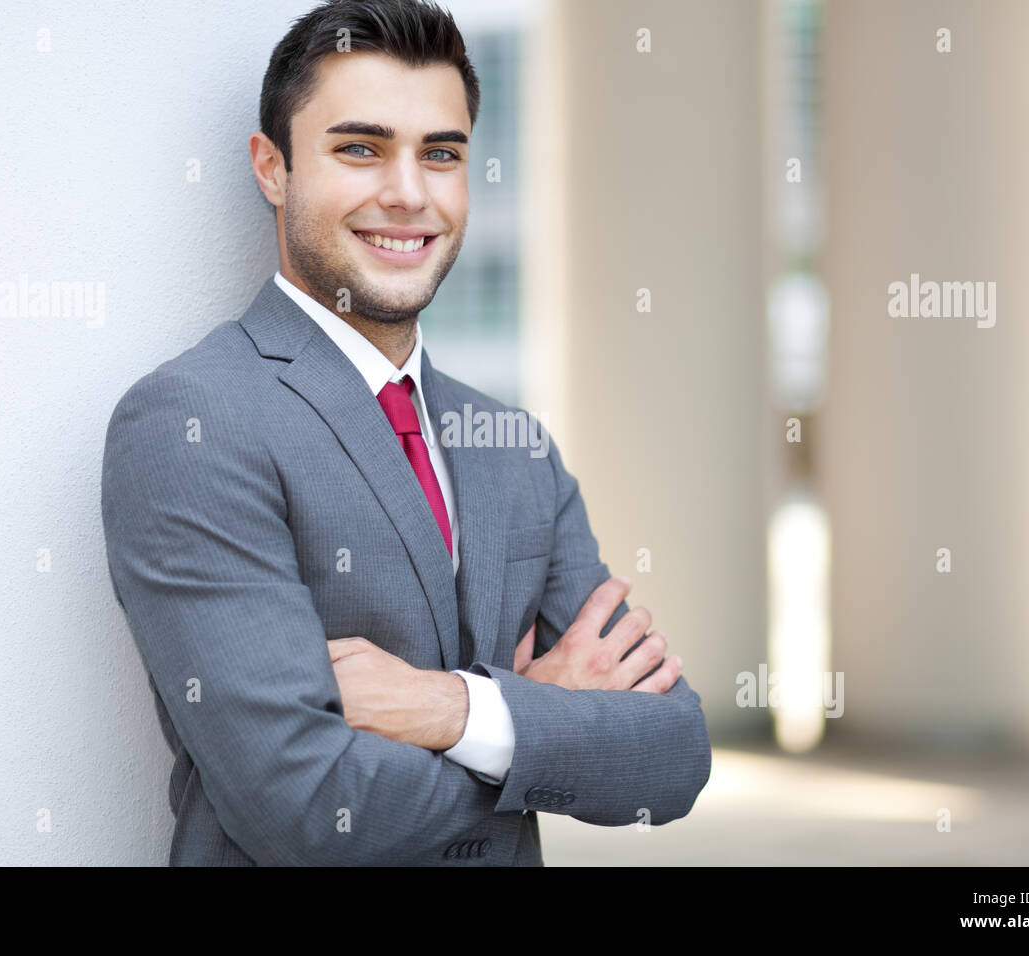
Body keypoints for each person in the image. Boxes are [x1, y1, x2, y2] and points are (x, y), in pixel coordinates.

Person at [100, 0, 711, 866]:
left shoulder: (515, 447)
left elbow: (673, 757)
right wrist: (542, 725)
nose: (409, 193)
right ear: (271, 169)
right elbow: (303, 806)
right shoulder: (192, 423)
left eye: (442, 154)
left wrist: (453, 708)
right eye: (360, 148)